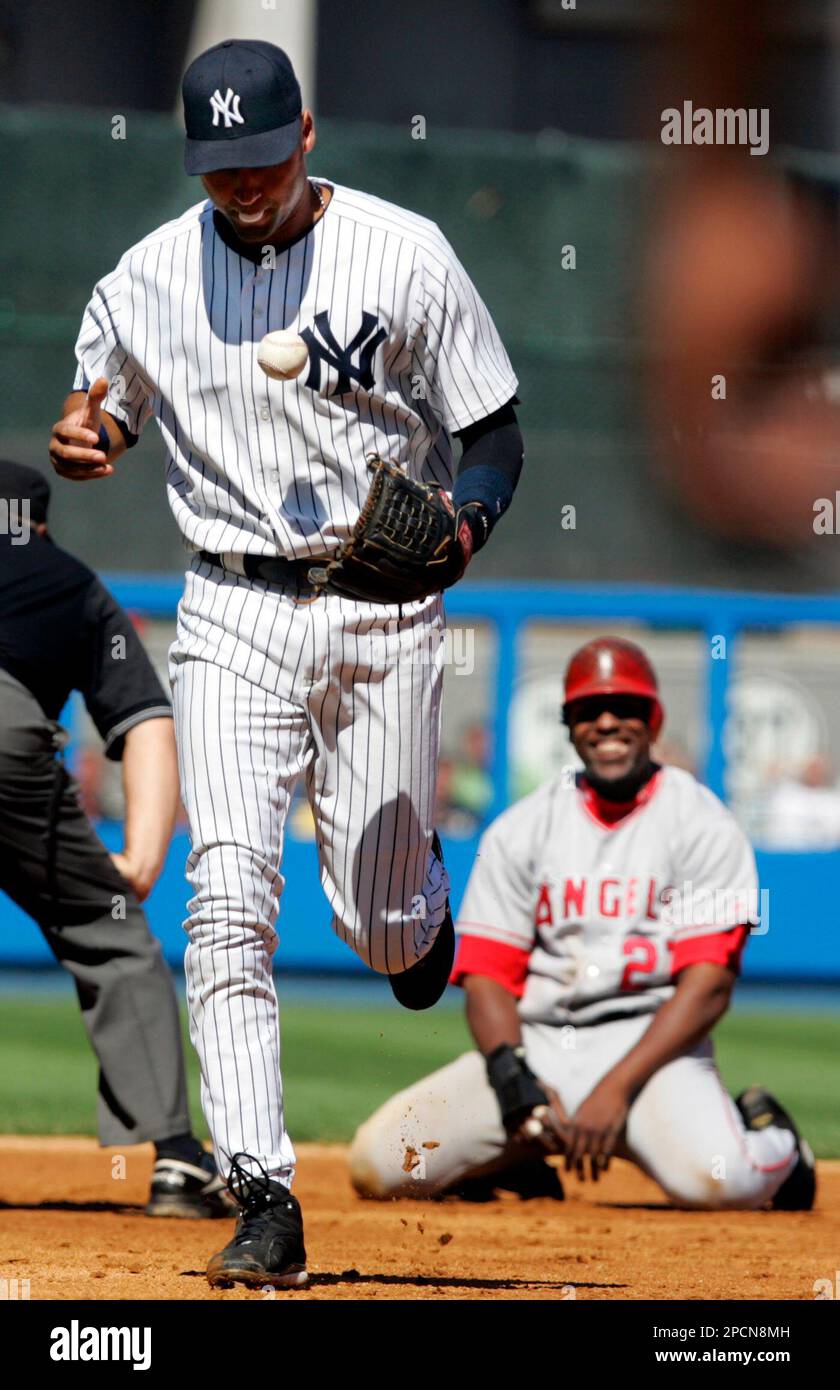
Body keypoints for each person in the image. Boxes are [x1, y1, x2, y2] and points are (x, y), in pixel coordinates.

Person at [49, 40, 523, 1288]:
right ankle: (264, 1197)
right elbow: (101, 406)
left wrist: (462, 530)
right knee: (225, 901)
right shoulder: (148, 276)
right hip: (232, 610)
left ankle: (416, 914)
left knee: (375, 928)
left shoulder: (405, 252)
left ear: (305, 135)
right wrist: (90, 435)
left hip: (384, 606)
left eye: (261, 159)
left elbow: (491, 433)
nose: (243, 186)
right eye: (219, 168)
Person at [350, 637, 816, 1213]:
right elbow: (488, 976)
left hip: (657, 1057)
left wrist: (614, 1088)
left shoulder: (701, 824)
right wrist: (511, 1075)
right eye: (589, 710)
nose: (607, 722)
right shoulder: (522, 828)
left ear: (654, 720)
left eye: (625, 707)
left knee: (719, 1184)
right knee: (381, 1161)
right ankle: (517, 1158)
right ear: (569, 725)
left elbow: (710, 985)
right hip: (540, 1046)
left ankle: (782, 1145)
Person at [0, 460, 228, 1218]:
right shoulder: (67, 579)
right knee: (113, 939)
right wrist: (138, 860)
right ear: (38, 521)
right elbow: (143, 722)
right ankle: (175, 1163)